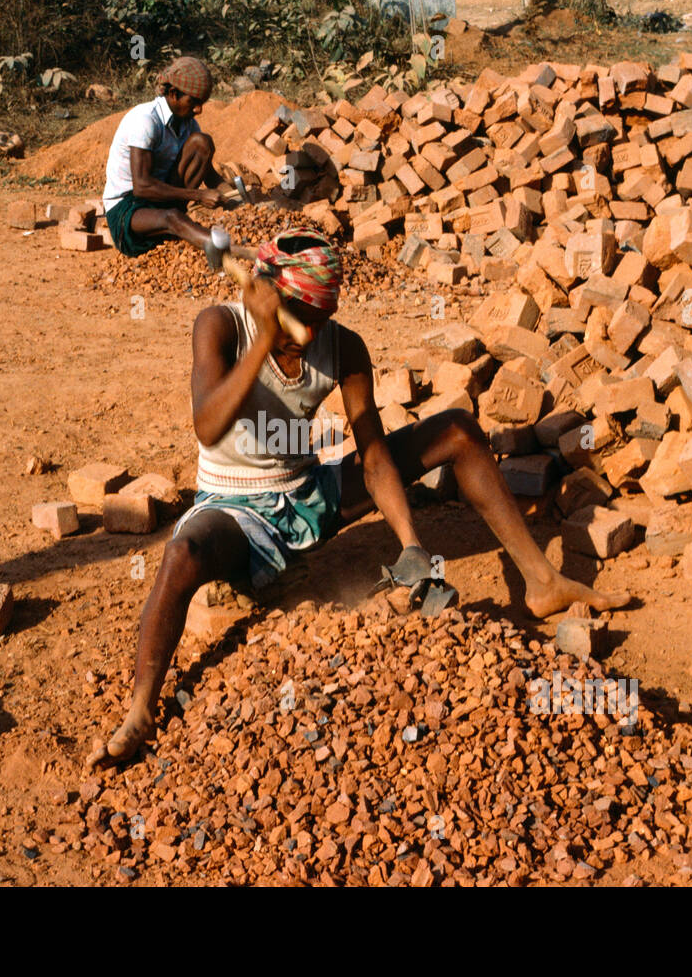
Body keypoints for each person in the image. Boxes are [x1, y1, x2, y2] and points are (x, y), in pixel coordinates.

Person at [87, 228, 629, 768]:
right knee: (182, 554)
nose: (303, 338)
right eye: (294, 320)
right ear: (264, 296)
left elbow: (372, 454)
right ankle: (142, 706)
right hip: (236, 509)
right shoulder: (221, 326)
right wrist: (263, 336)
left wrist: (413, 547)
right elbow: (207, 426)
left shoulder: (343, 346)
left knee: (460, 431)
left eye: (314, 323)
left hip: (309, 495)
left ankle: (542, 582)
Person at [102, 55, 249, 259]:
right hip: (127, 209)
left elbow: (210, 176)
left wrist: (236, 200)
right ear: (173, 94)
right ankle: (241, 252)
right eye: (193, 102)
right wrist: (198, 195)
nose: (199, 110)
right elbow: (142, 187)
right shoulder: (145, 121)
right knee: (173, 218)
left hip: (160, 198)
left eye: (202, 103)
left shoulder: (187, 123)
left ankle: (184, 228)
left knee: (201, 143)